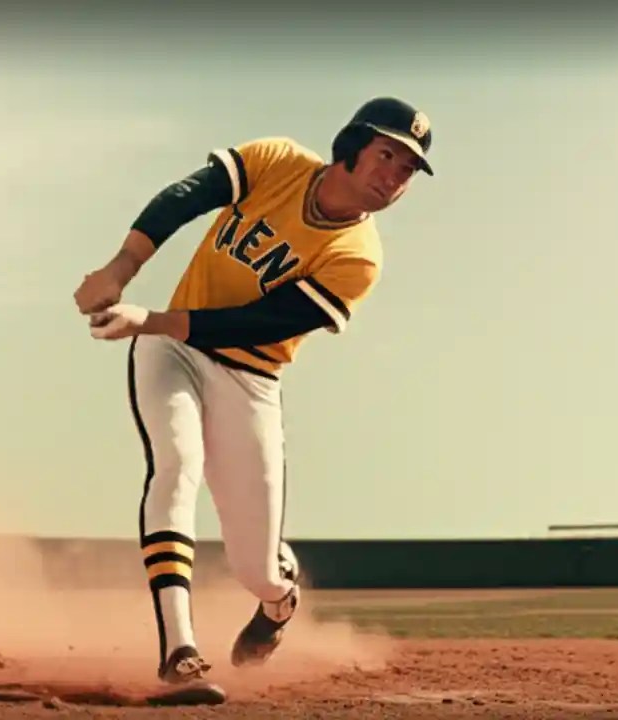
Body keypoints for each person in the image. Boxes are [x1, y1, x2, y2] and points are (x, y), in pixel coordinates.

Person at [73, 96, 434, 703]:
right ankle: (179, 652)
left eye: (406, 170)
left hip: (251, 378)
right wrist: (122, 266)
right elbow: (187, 195)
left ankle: (279, 601)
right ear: (352, 144)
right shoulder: (279, 161)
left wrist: (152, 319)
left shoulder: (359, 258)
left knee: (256, 569)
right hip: (172, 353)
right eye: (387, 155)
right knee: (176, 466)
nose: (393, 176)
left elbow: (258, 323)